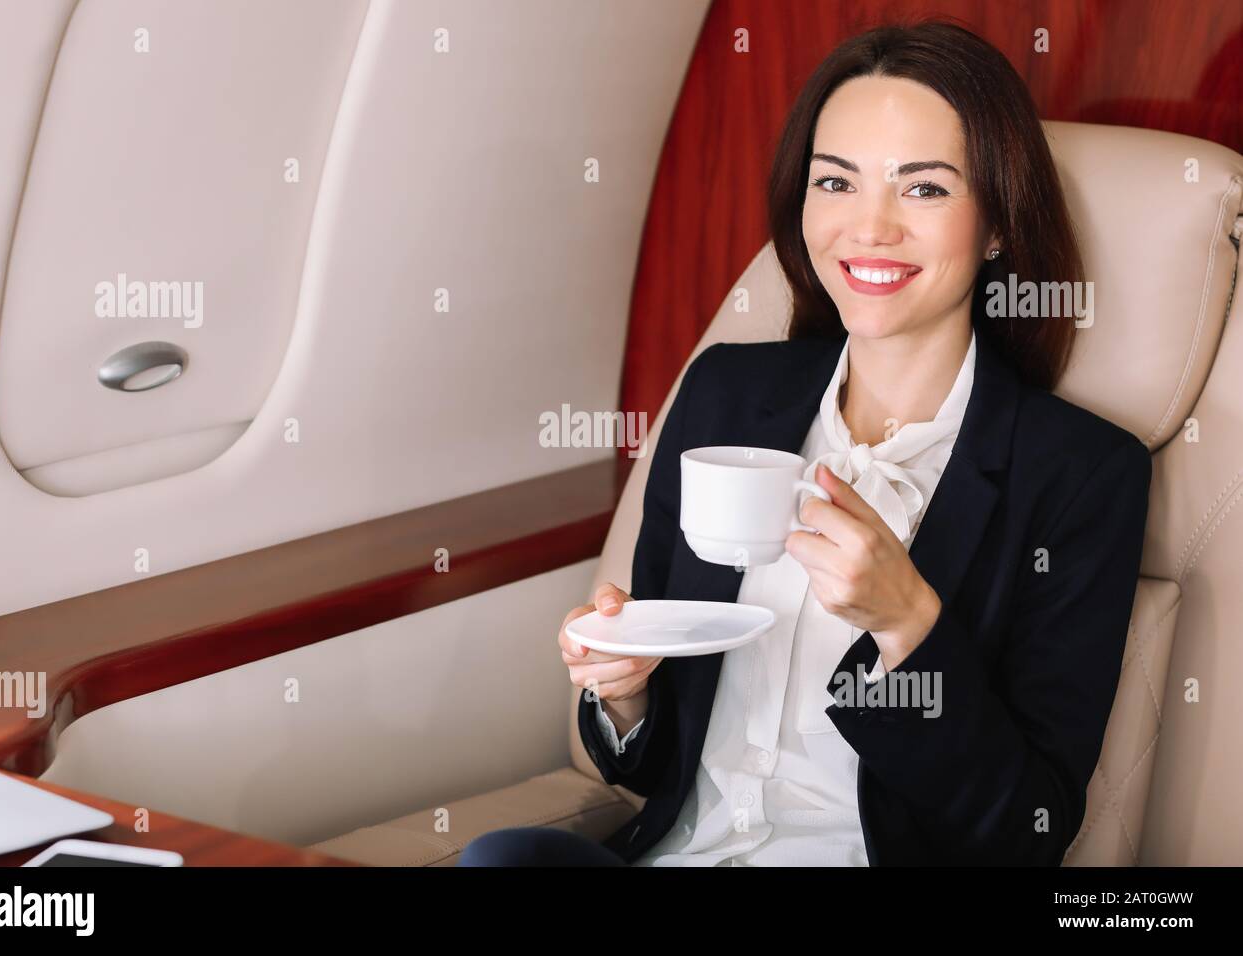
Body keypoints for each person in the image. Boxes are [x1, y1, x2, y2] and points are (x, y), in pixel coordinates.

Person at [459, 19, 1151, 867]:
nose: (870, 228)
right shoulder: (725, 395)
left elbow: (1028, 828)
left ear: (1000, 222)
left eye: (924, 190)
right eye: (836, 183)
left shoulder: (1080, 474)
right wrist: (625, 692)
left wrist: (908, 623)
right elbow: (656, 766)